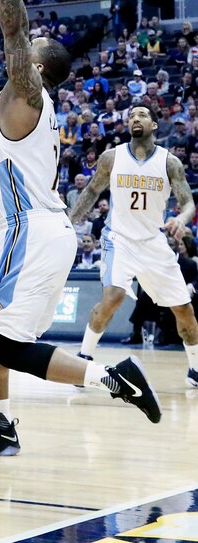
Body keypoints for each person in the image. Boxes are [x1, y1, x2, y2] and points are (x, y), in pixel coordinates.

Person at [0, 0, 162, 457]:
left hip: (29, 232)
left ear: (35, 67)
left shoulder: (28, 94)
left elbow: (12, 27)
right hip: (38, 230)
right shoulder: (18, 113)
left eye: (28, 50)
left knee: (7, 343)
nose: (22, 46)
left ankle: (112, 377)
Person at [70, 103, 198, 387]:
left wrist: (182, 217)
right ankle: (84, 360)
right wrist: (70, 221)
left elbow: (188, 202)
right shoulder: (111, 157)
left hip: (154, 242)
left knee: (184, 311)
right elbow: (92, 191)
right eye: (131, 115)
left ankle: (195, 370)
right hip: (119, 238)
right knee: (113, 296)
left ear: (154, 125)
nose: (134, 118)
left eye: (141, 114)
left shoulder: (169, 162)